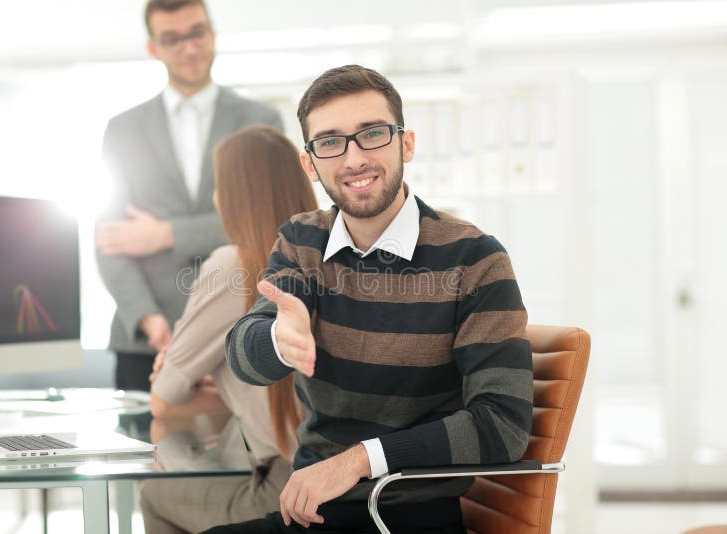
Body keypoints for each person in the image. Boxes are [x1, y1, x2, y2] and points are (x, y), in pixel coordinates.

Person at [208, 65, 534, 533]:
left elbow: (502, 424)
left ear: (406, 143)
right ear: (311, 164)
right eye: (330, 142)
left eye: (372, 134)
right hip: (313, 516)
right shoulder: (303, 241)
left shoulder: (474, 259)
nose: (354, 158)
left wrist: (359, 460)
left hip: (406, 519)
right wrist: (280, 339)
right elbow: (244, 356)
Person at [95, 0, 283, 391]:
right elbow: (109, 240)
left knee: (246, 452)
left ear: (212, 34)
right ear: (154, 48)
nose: (189, 48)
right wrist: (147, 318)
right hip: (147, 340)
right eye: (172, 38)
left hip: (239, 332)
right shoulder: (122, 129)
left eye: (197, 33)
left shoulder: (260, 122)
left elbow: (266, 224)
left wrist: (165, 234)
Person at [140, 125, 319, 534]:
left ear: (238, 197)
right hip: (322, 479)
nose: (216, 200)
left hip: (286, 490)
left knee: (156, 493)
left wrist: (187, 381)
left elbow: (162, 400)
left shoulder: (232, 266)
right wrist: (218, 384)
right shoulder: (328, 259)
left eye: (220, 188)